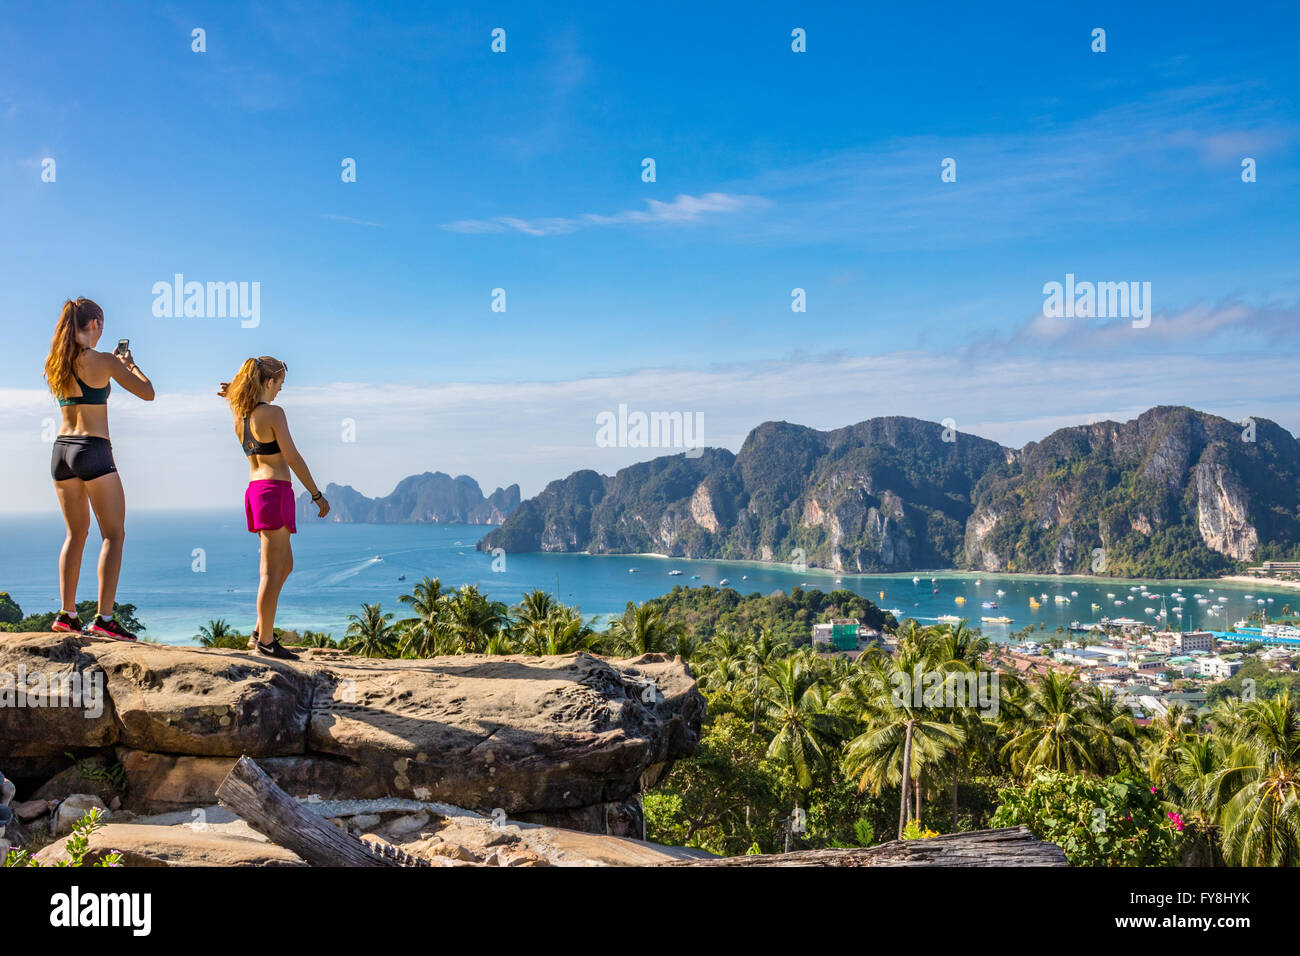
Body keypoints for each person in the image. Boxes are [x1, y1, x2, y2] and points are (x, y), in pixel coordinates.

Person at [43, 298, 155, 640]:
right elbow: (147, 393)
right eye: (101, 323)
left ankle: (68, 613)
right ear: (93, 324)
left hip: (61, 451)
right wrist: (130, 364)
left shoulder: (56, 363)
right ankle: (105, 619)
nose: (102, 329)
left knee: (75, 534)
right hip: (93, 449)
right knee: (114, 534)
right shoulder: (104, 361)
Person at [219, 357, 328, 659]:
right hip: (275, 491)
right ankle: (265, 642)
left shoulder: (240, 416)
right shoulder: (273, 413)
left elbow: (239, 399)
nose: (280, 390)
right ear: (268, 382)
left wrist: (232, 392)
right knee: (269, 571)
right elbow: (292, 457)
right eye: (279, 384)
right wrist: (317, 495)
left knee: (285, 565)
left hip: (255, 491)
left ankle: (259, 629)